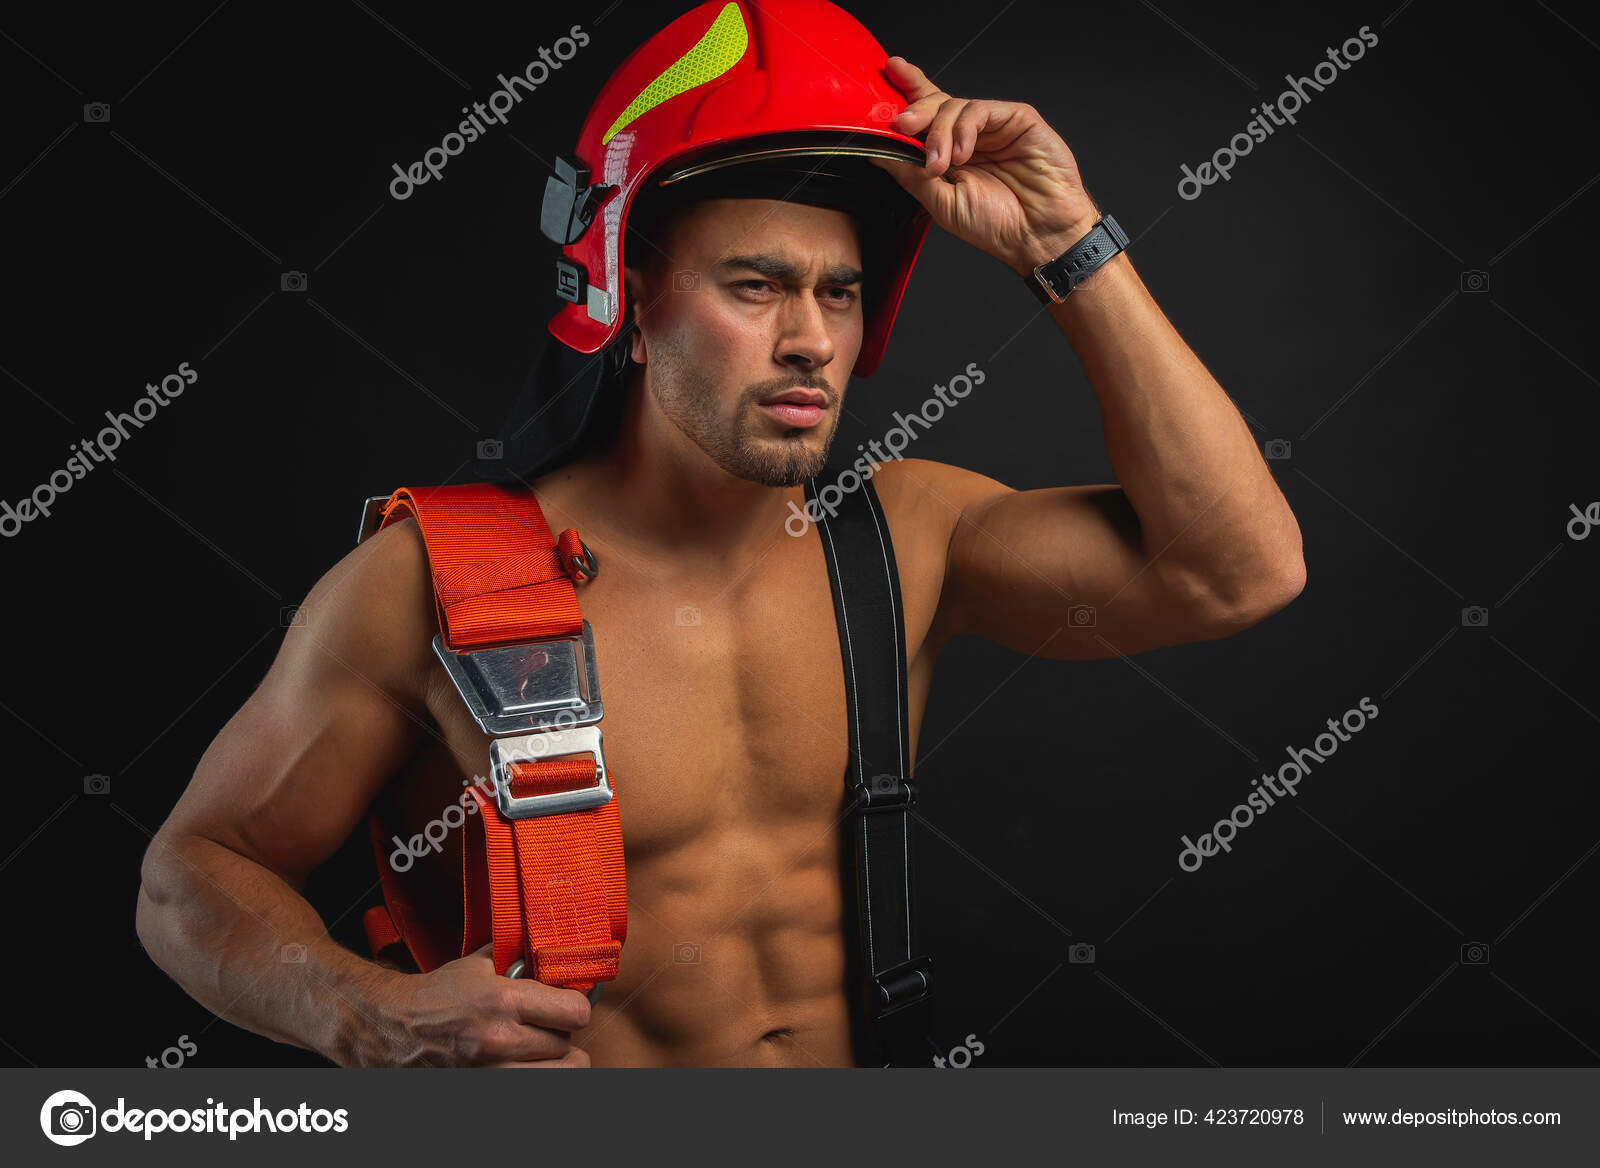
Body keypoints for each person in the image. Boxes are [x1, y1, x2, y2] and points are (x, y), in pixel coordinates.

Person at [136, 1, 1304, 1068]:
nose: (810, 339)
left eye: (836, 293)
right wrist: (357, 1008)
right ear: (631, 305)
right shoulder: (429, 584)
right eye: (755, 287)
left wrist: (1068, 238)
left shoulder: (906, 536)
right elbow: (192, 876)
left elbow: (1235, 570)